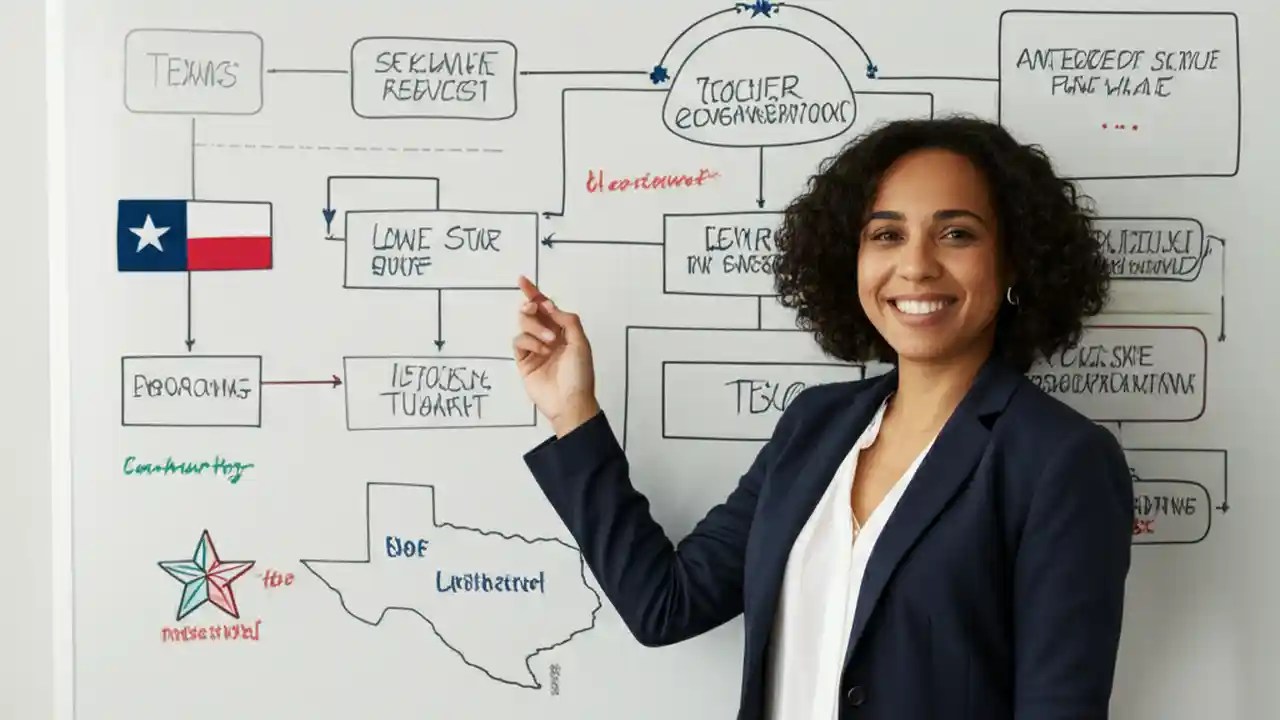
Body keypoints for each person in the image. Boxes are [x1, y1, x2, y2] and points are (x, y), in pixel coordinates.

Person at [512, 115, 1134, 720]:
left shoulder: (1060, 459)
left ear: (1013, 263)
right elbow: (666, 605)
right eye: (886, 234)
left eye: (957, 234)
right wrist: (574, 411)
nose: (916, 265)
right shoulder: (815, 426)